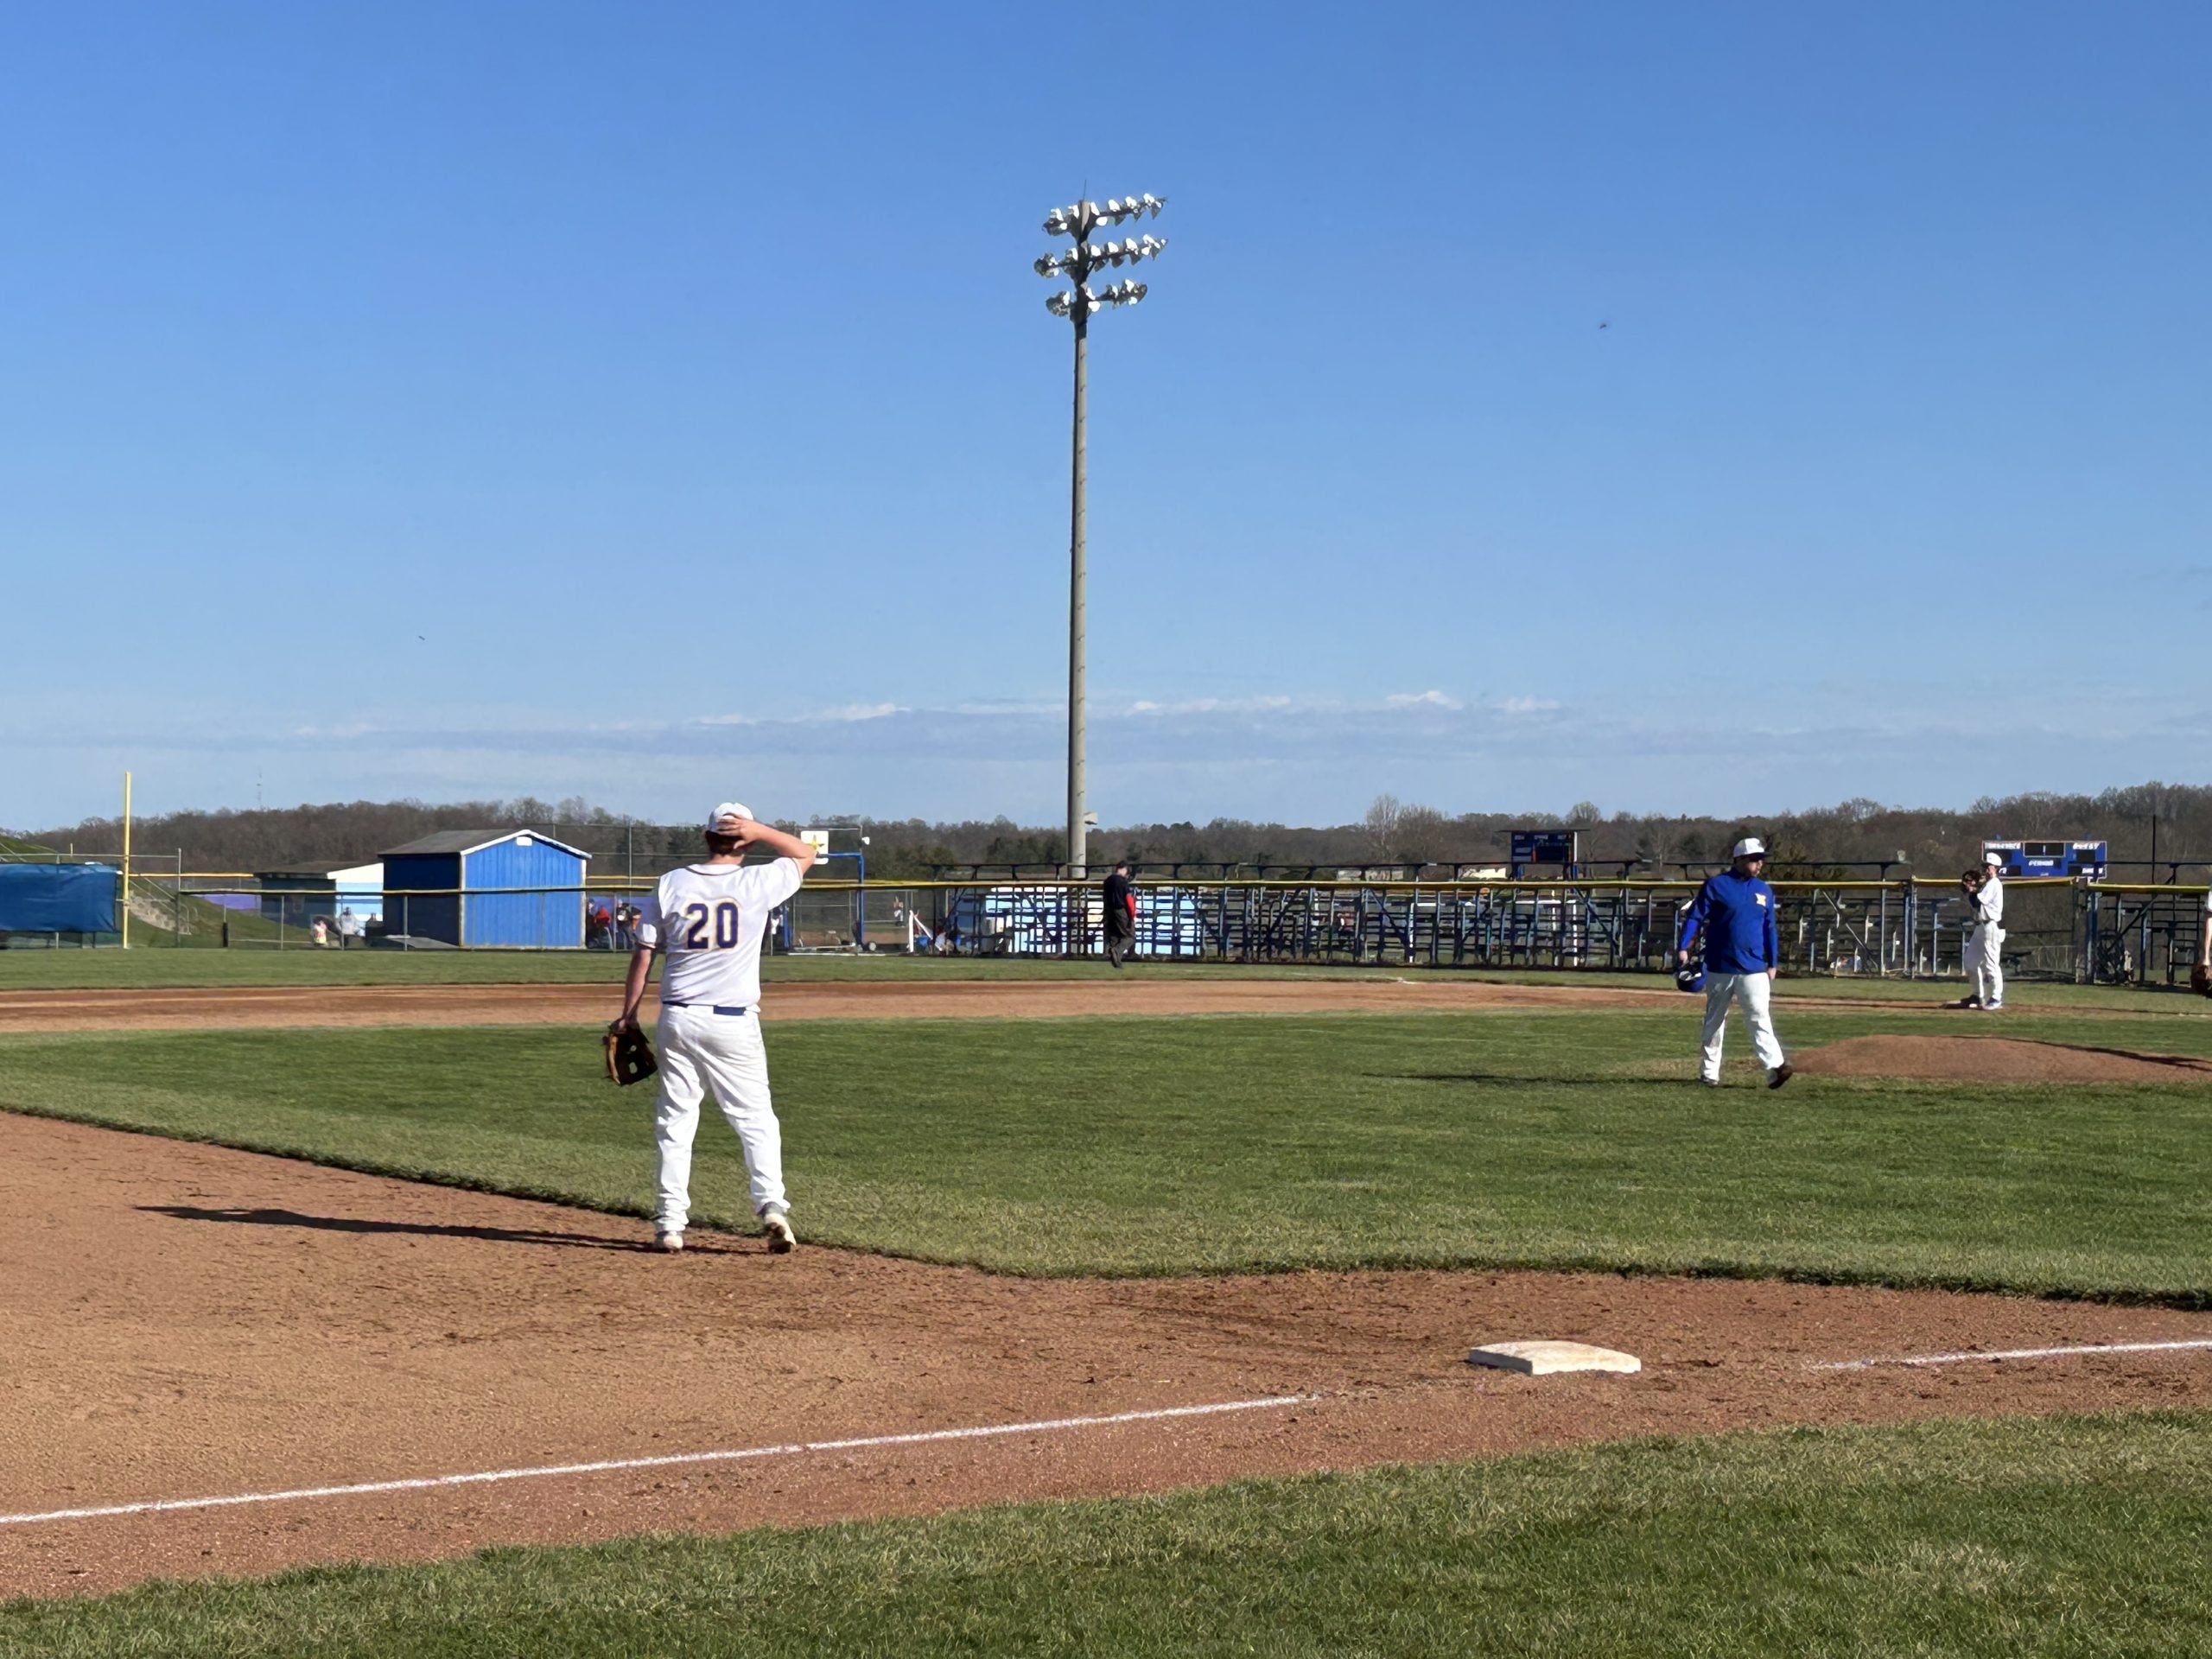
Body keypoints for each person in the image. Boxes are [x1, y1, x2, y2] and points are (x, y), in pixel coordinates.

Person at [615, 803, 818, 1255]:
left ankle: (670, 1225)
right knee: (755, 1119)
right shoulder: (758, 881)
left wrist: (628, 1014)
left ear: (706, 837)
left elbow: (644, 953)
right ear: (743, 841)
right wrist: (759, 830)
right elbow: (805, 853)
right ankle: (771, 1205)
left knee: (675, 1121)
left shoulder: (671, 883)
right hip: (732, 1020)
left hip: (678, 1017)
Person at [1676, 837, 1793, 1088]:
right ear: (1739, 860)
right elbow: (1695, 916)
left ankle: (1775, 1068)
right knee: (1715, 1021)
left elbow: (1769, 927)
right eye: (1754, 859)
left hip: (1754, 967)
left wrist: (1773, 962)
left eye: (1761, 859)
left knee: (1759, 1017)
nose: (1760, 864)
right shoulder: (1717, 885)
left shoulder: (1763, 890)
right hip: (1720, 965)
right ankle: (1709, 1073)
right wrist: (1684, 946)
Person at [1957, 853, 2005, 1011]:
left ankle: (1996, 997)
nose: (1985, 869)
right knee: (1970, 960)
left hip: (1991, 926)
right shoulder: (1987, 885)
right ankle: (1977, 995)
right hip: (1981, 927)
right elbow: (1976, 900)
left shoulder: (1994, 883)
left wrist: (1970, 890)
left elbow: (1977, 902)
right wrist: (1971, 890)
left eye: (1988, 867)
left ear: (1995, 868)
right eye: (1984, 866)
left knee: (1991, 964)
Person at [1102, 858, 1136, 968]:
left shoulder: (1107, 881)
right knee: (1130, 936)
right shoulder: (1122, 882)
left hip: (1109, 910)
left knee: (1114, 936)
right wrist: (1132, 915)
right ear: (1124, 869)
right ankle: (1116, 951)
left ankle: (1116, 961)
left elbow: (1105, 897)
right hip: (1121, 911)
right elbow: (1129, 900)